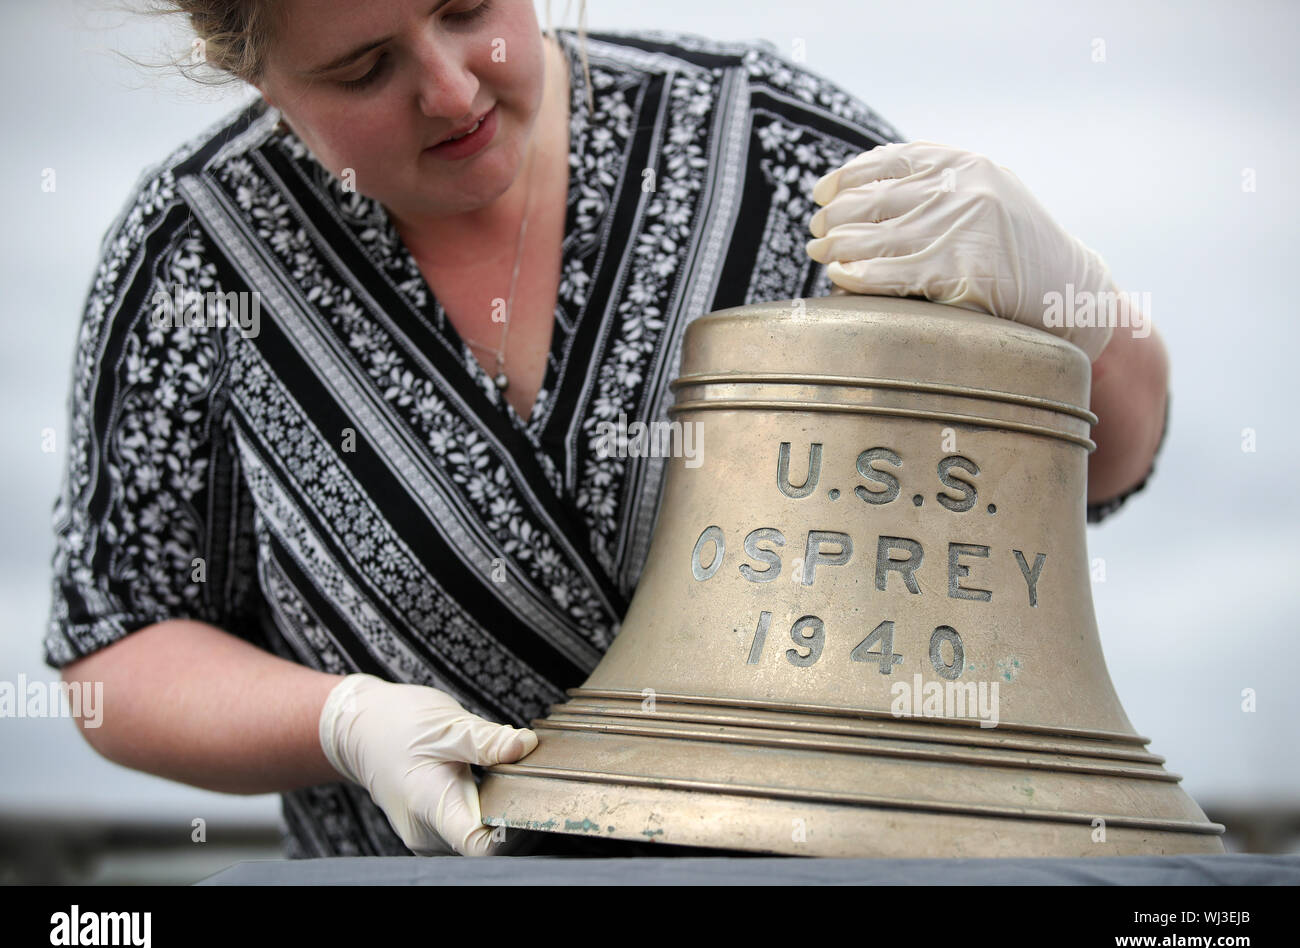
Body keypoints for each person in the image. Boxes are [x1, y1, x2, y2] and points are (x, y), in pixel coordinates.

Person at [44, 0, 1168, 858]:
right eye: (363, 68)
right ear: (253, 72)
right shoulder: (195, 259)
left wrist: (1071, 296)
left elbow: (1102, 465)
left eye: (468, 9)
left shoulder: (772, 150)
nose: (447, 90)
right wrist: (338, 721)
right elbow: (120, 646)